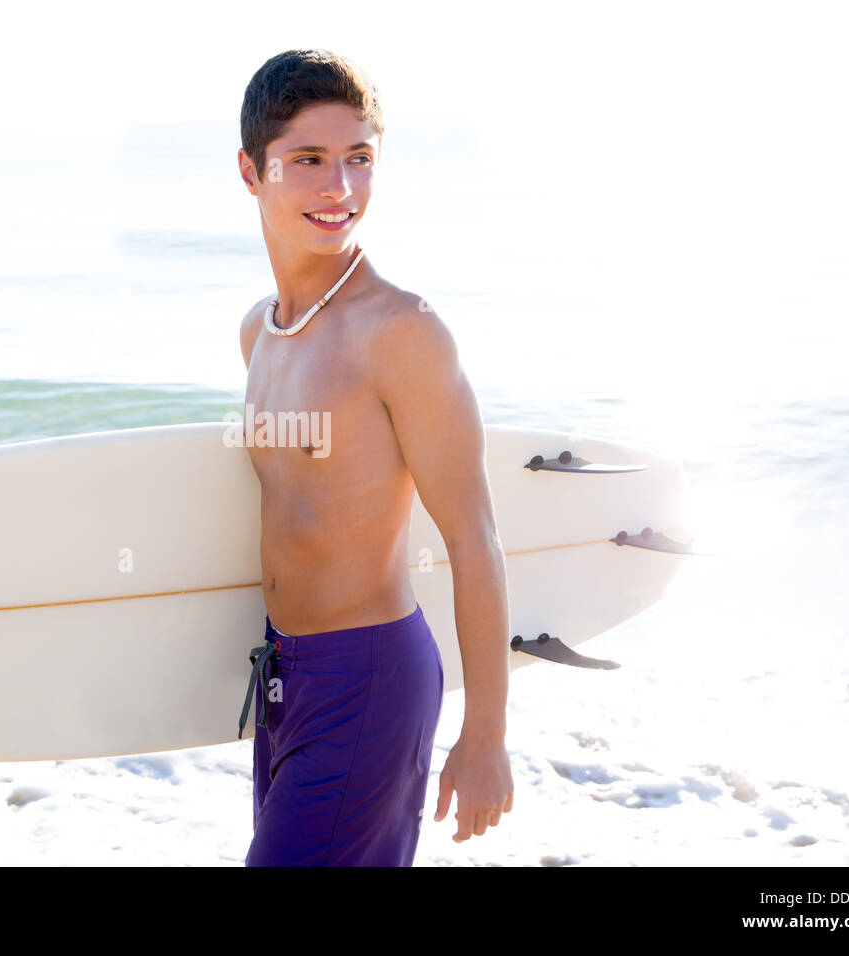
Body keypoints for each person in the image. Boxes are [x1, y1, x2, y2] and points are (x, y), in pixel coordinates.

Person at [234, 49, 514, 867]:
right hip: (281, 674)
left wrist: (486, 737)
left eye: (359, 159)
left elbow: (474, 537)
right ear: (252, 171)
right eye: (308, 160)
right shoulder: (260, 331)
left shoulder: (402, 333)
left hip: (367, 681)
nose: (341, 188)